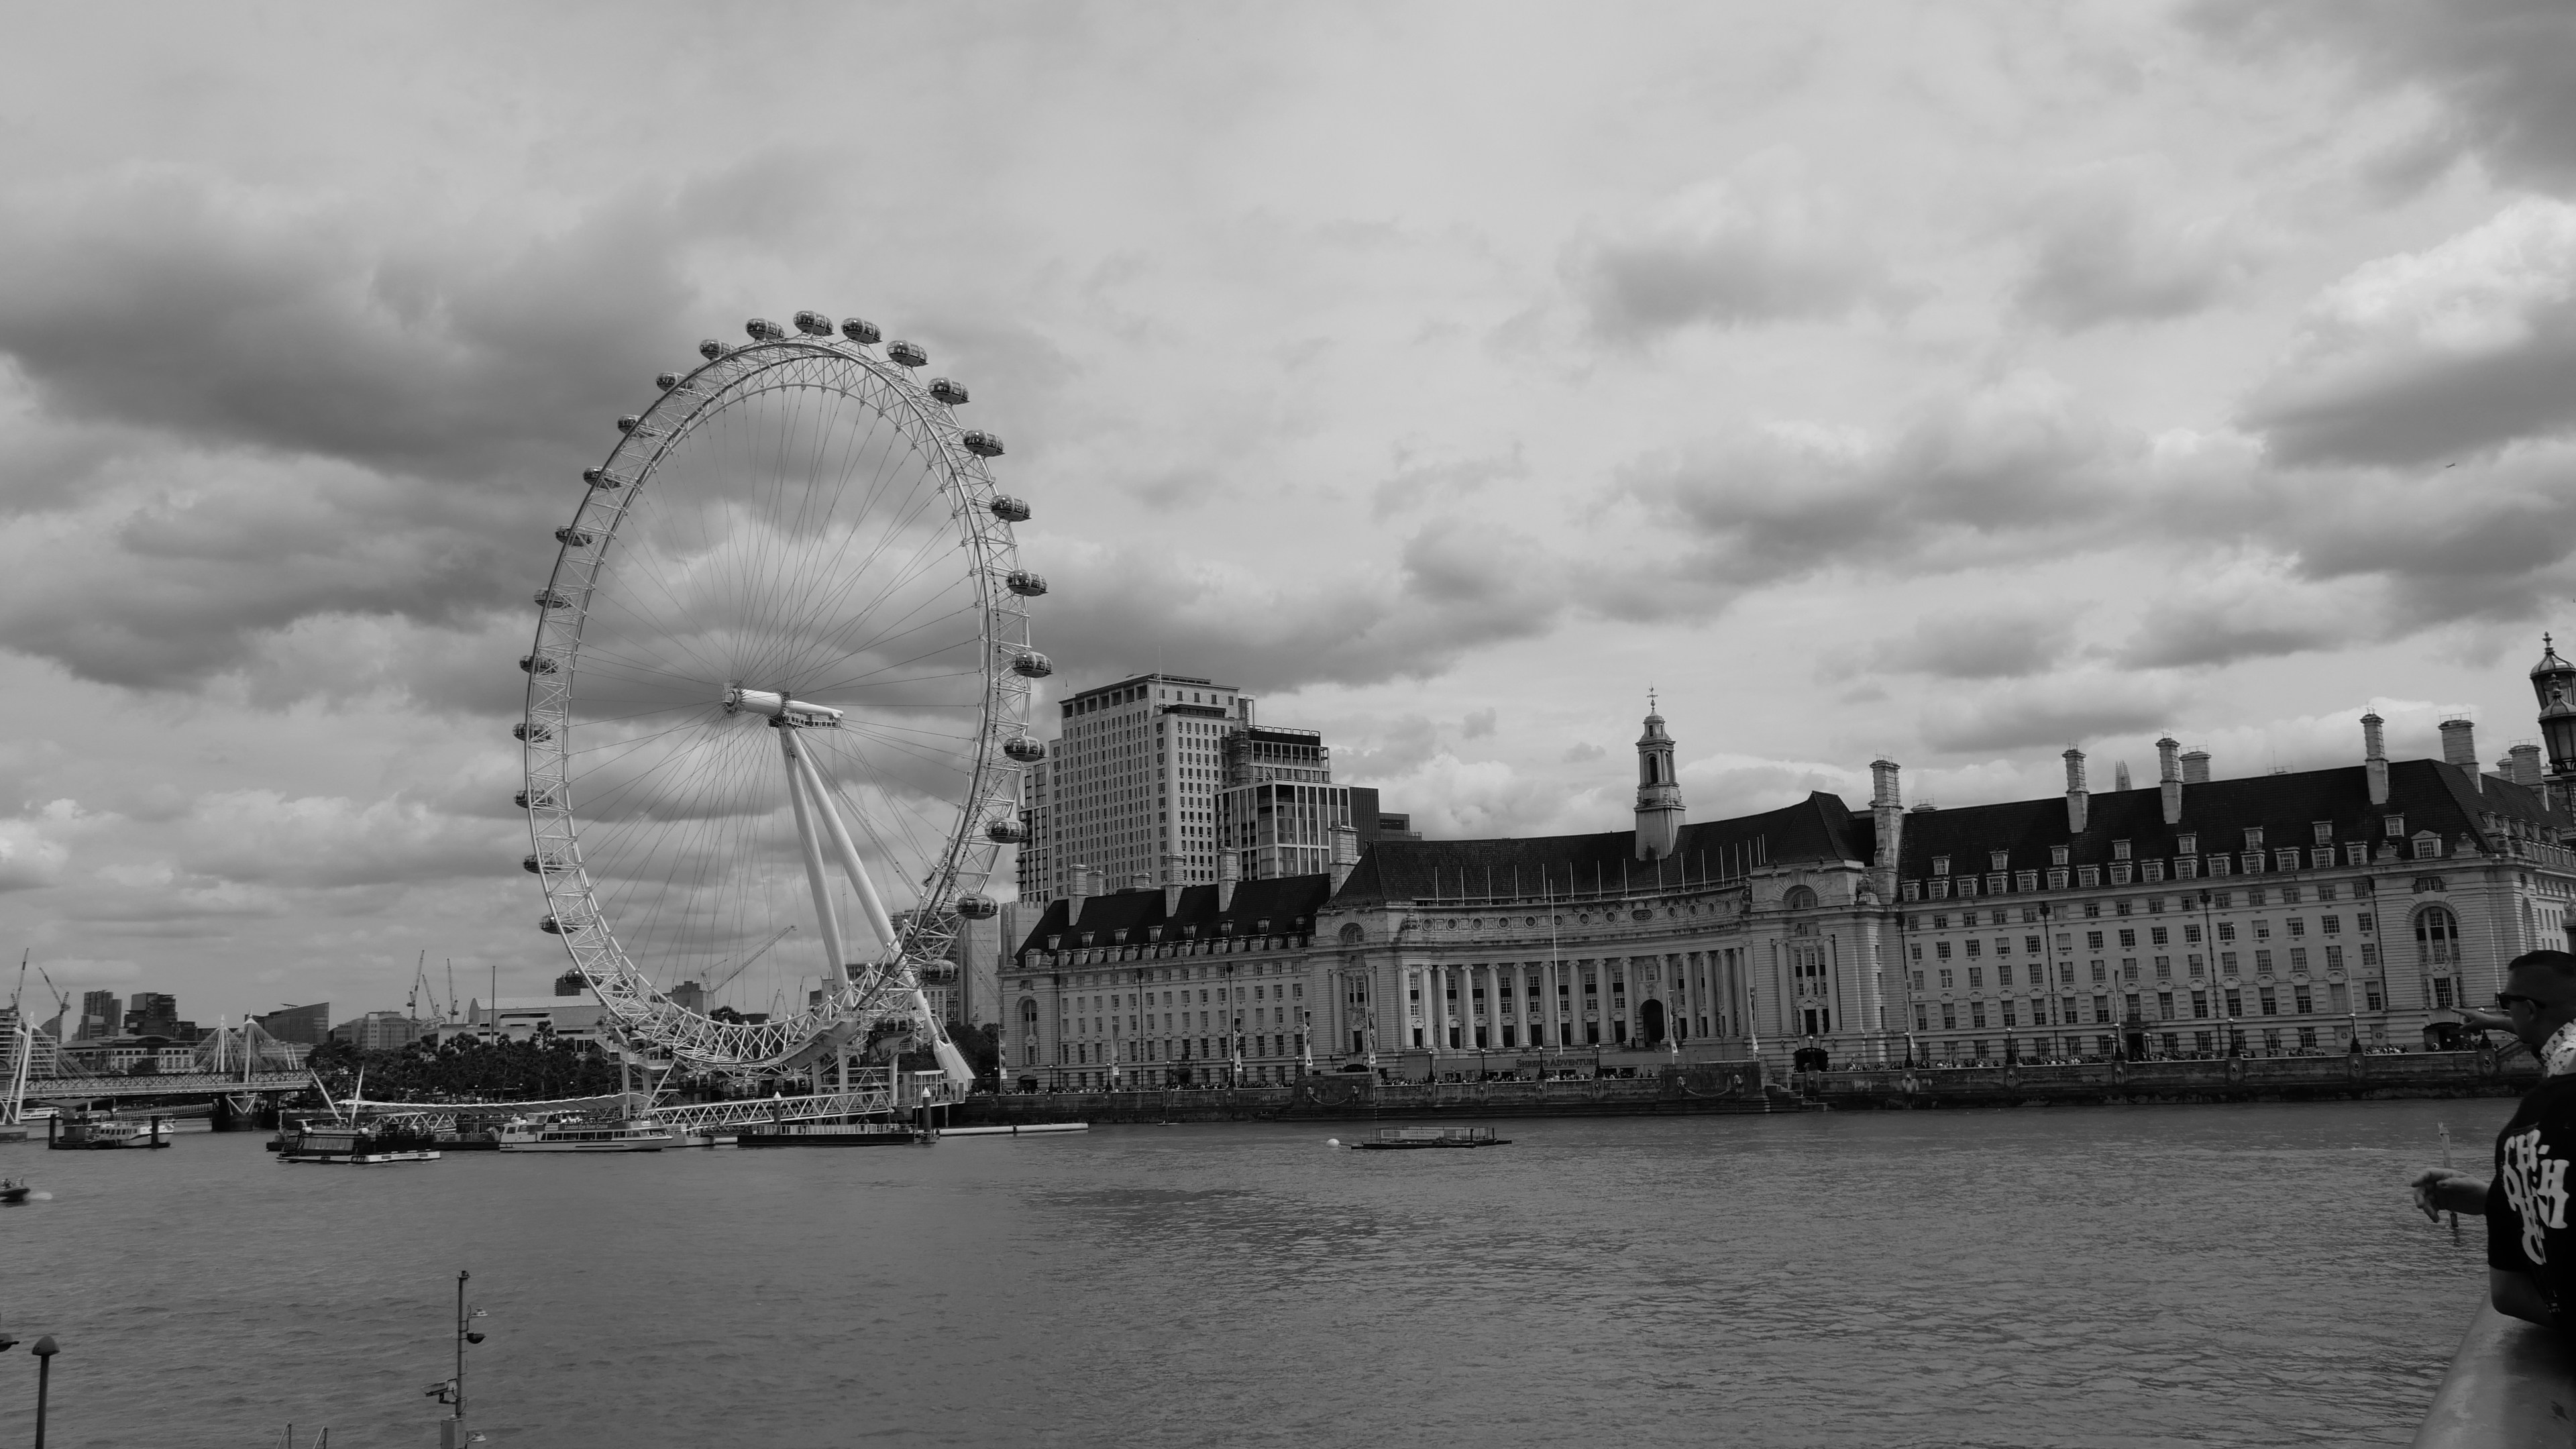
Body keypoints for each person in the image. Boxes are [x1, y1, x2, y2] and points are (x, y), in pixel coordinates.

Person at [2410, 949, 2576, 1327]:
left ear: (2529, 1010)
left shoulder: (2537, 1119)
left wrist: (2504, 1206)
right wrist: (2496, 1201)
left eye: (2507, 1002)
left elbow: (2510, 1296)